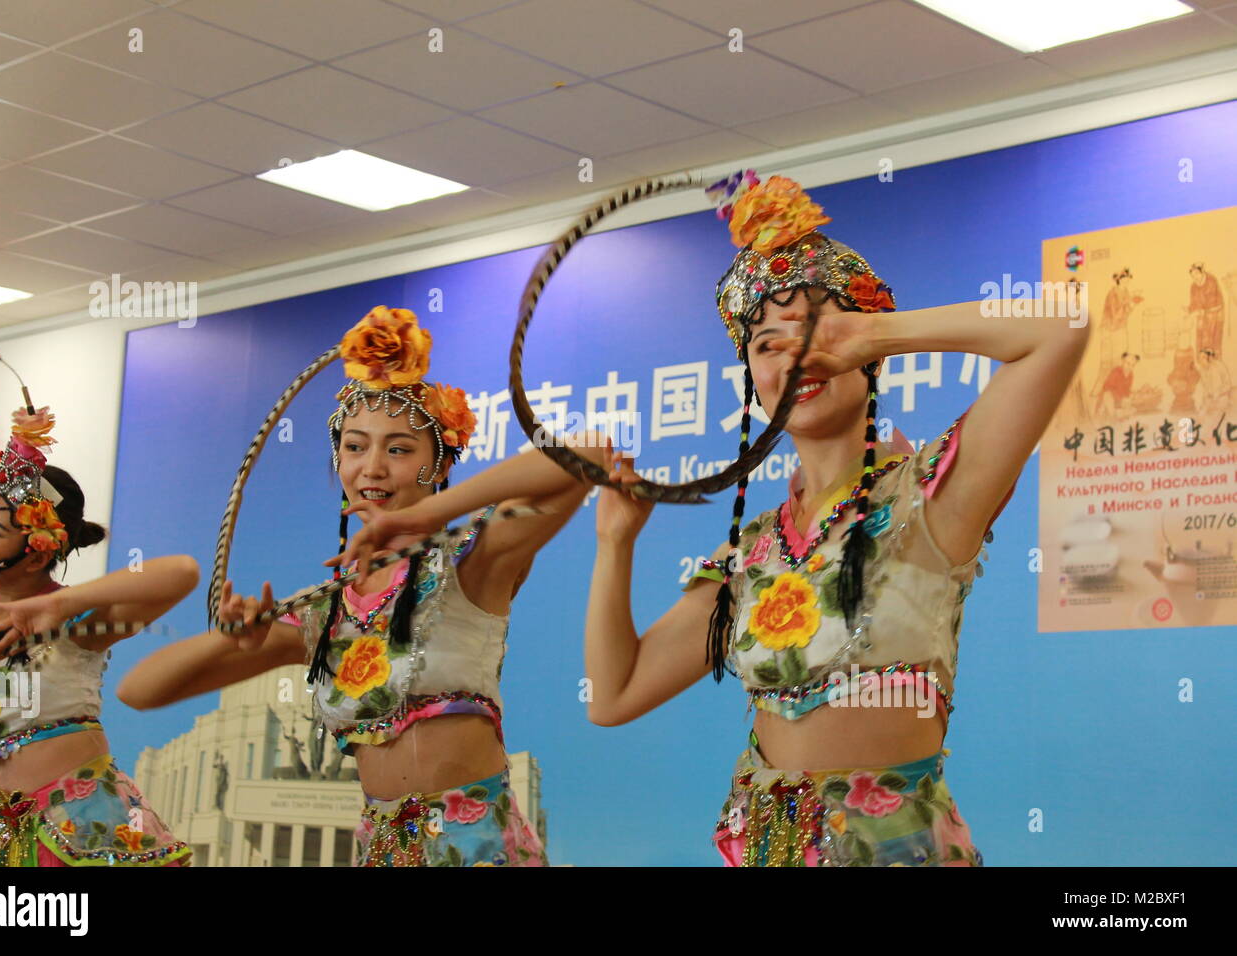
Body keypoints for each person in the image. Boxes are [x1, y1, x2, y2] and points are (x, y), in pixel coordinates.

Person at [583, 172, 1090, 866]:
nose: (794, 353)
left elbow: (1061, 328)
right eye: (765, 343)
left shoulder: (931, 497)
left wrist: (880, 331)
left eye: (817, 328)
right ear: (753, 381)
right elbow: (612, 695)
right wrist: (615, 543)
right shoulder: (753, 554)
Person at [119, 307, 601, 866]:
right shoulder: (324, 614)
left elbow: (586, 455)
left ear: (439, 463)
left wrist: (428, 518)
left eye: (398, 449)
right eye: (354, 446)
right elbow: (140, 690)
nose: (371, 467)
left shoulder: (472, 561)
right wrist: (238, 640)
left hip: (479, 849)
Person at [0, 407, 197, 866]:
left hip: (90, 840)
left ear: (36, 556)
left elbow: (181, 572)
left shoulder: (78, 628)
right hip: (11, 847)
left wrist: (59, 605)